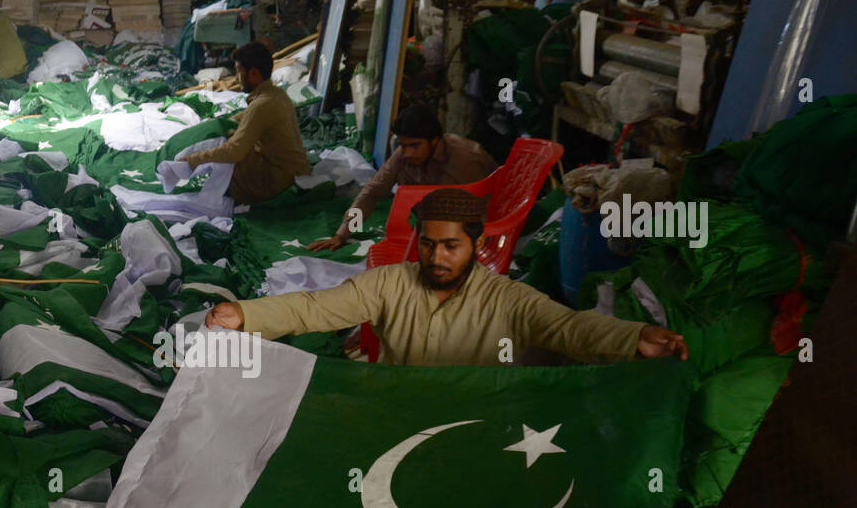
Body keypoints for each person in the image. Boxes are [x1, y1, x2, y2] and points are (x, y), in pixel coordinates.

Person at [207, 188, 688, 367]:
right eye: (428, 243)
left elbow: (570, 329)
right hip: (396, 415)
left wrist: (633, 338)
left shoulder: (509, 300)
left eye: (451, 246)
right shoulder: (391, 283)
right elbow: (314, 308)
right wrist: (244, 314)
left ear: (477, 247)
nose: (436, 257)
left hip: (472, 425)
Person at [309, 106, 498, 252]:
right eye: (403, 145)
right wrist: (343, 234)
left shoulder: (465, 158)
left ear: (435, 141)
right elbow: (371, 194)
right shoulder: (403, 154)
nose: (407, 153)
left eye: (415, 146)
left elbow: (484, 210)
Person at [180, 41, 311, 206]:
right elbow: (244, 117)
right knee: (230, 135)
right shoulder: (277, 94)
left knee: (226, 148)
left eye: (239, 72)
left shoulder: (262, 104)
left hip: (278, 180)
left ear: (254, 73)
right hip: (295, 171)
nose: (236, 78)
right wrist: (218, 125)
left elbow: (234, 151)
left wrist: (191, 160)